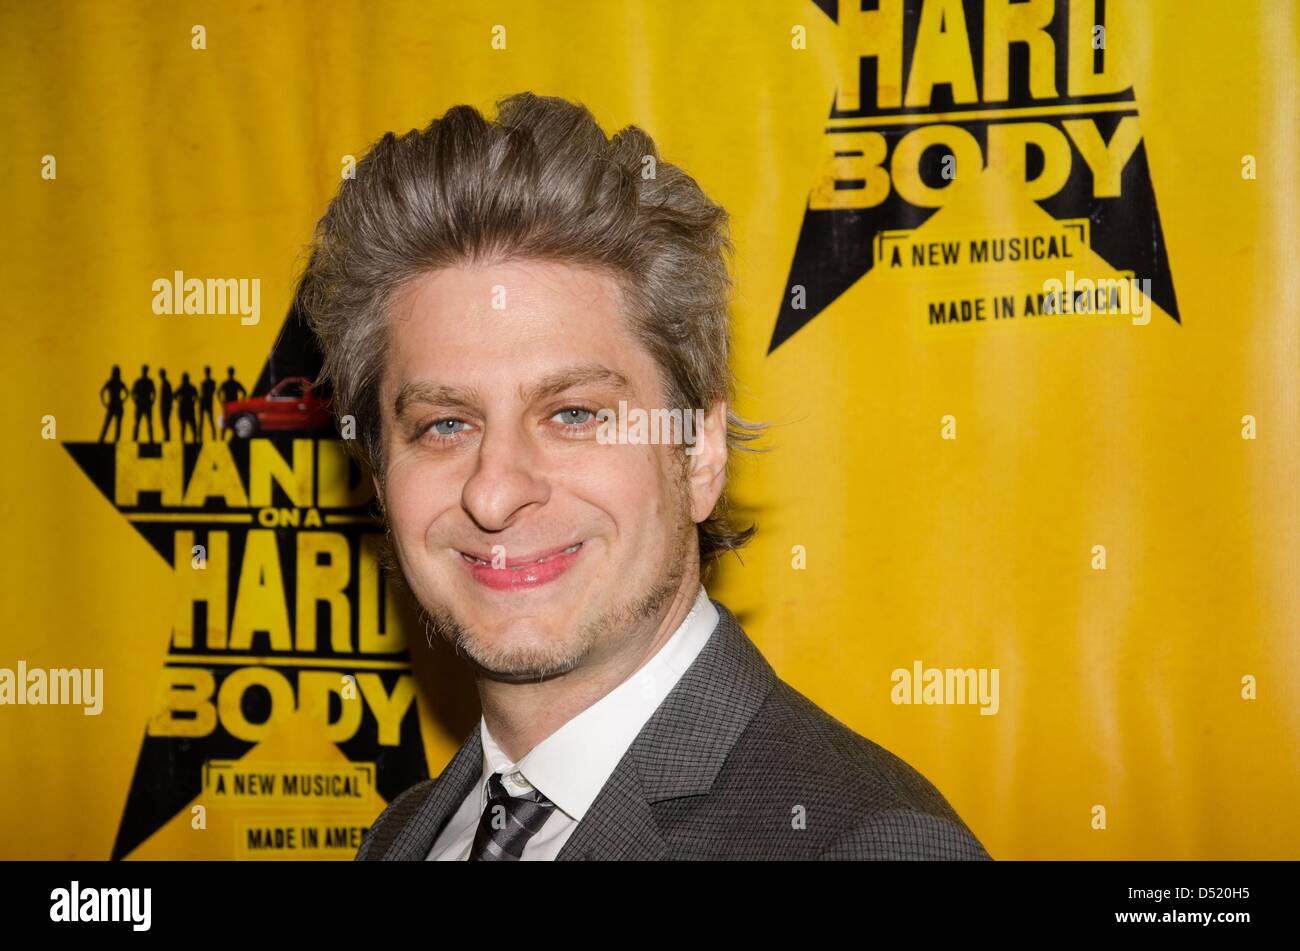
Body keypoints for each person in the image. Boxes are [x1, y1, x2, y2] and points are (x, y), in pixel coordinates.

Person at [299, 92, 990, 861]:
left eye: (574, 414)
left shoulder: (866, 846)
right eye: (445, 424)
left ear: (698, 453)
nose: (493, 492)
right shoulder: (406, 835)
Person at [97, 365, 127, 443]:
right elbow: (102, 392)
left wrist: (105, 402)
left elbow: (127, 393)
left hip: (116, 406)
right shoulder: (113, 382)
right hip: (114, 405)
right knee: (110, 424)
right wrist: (104, 402)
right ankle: (103, 440)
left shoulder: (115, 382)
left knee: (114, 425)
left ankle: (112, 441)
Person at [130, 364, 155, 443]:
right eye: (144, 370)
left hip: (146, 404)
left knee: (149, 423)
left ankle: (150, 440)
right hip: (141, 405)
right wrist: (136, 401)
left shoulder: (149, 382)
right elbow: (132, 393)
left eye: (145, 370)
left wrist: (152, 402)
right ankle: (135, 439)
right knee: (138, 423)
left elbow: (154, 393)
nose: (145, 371)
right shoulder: (139, 382)